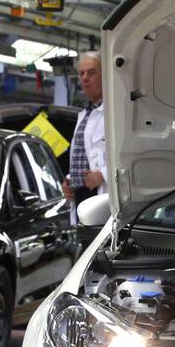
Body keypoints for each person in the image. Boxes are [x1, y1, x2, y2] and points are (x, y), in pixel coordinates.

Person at [61, 51, 105, 224]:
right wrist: (70, 180)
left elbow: (128, 153)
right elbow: (84, 156)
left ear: (105, 75)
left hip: (101, 194)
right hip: (81, 196)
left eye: (91, 72)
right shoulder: (85, 114)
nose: (85, 78)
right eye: (82, 73)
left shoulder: (114, 112)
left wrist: (103, 174)